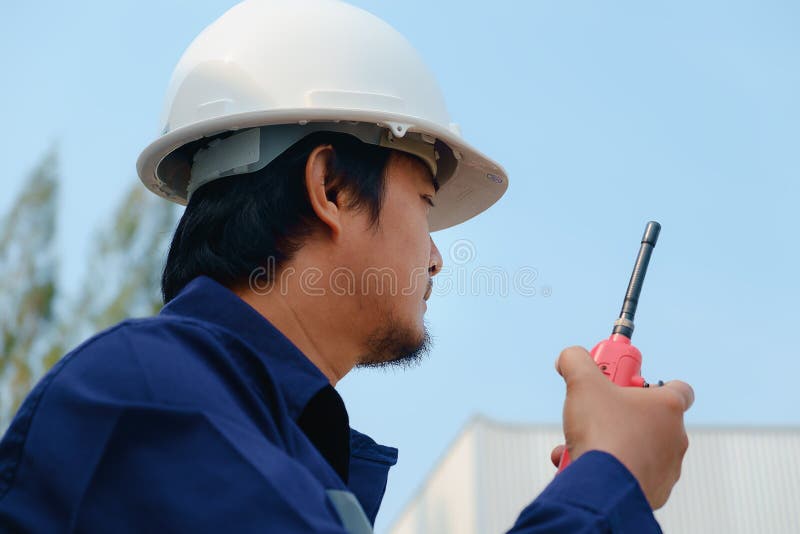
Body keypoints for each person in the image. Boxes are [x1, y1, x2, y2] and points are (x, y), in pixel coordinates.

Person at [0, 1, 693, 532]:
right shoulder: (145, 401)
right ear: (330, 189)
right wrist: (608, 478)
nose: (436, 256)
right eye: (424, 203)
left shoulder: (230, 428)